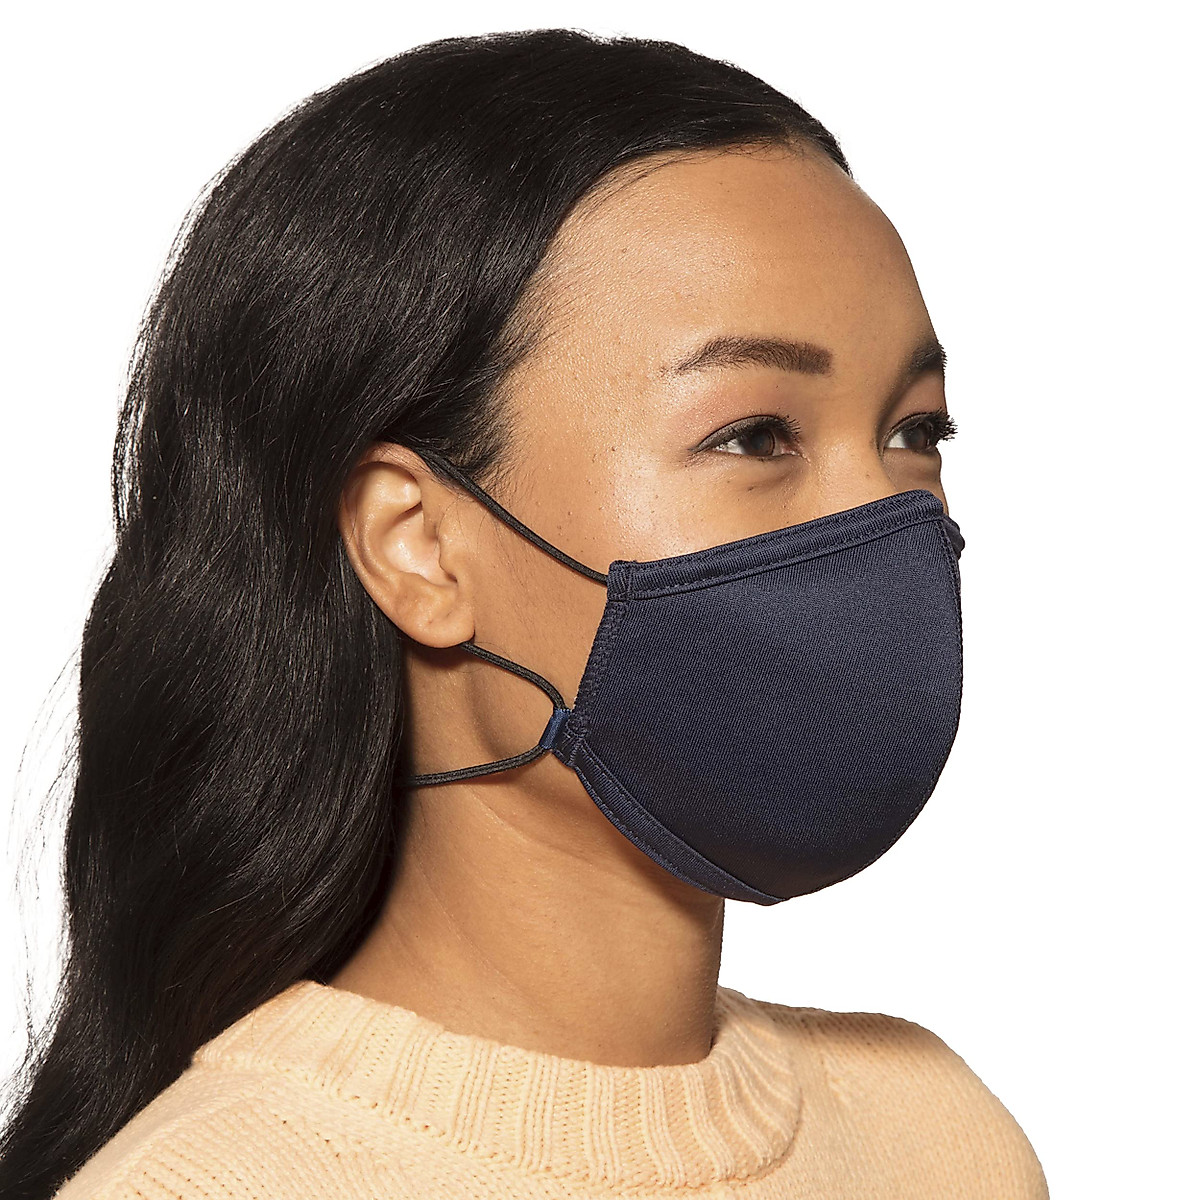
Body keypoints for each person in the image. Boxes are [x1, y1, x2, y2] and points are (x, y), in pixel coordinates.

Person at [0, 27, 1049, 1199]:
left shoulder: (938, 1139)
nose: (883, 517)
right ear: (418, 545)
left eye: (915, 431)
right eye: (754, 435)